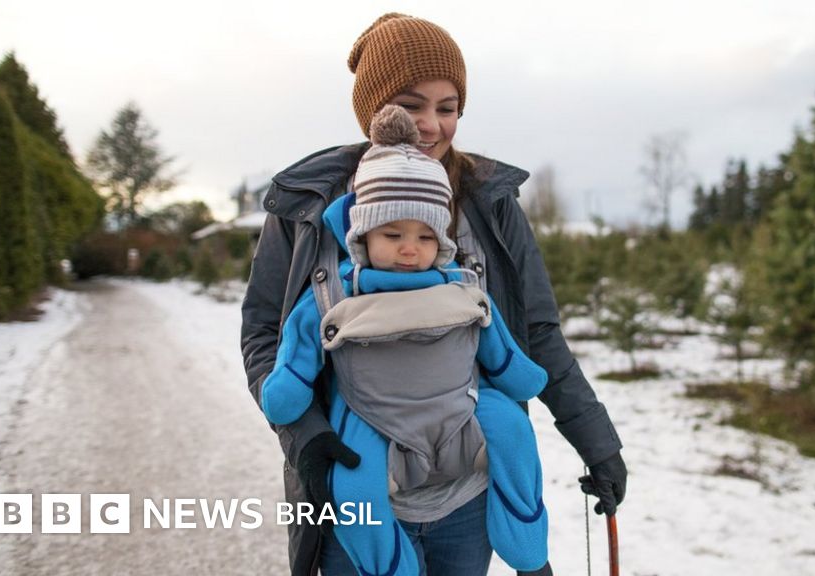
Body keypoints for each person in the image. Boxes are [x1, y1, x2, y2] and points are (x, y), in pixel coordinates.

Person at [240, 12, 628, 576]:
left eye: (447, 109)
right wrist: (305, 435)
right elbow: (262, 335)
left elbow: (535, 333)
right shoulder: (304, 205)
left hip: (465, 491)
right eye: (411, 105)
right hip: (354, 481)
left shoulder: (489, 205)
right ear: (372, 111)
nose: (430, 125)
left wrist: (597, 440)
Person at [259, 104, 551, 574]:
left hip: (462, 410)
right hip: (374, 419)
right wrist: (290, 398)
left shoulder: (462, 288)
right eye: (392, 233)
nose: (409, 248)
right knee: (354, 488)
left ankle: (525, 540)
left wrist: (520, 376)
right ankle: (388, 565)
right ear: (362, 236)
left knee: (514, 432)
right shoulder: (334, 293)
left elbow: (499, 350)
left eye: (424, 236)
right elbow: (295, 349)